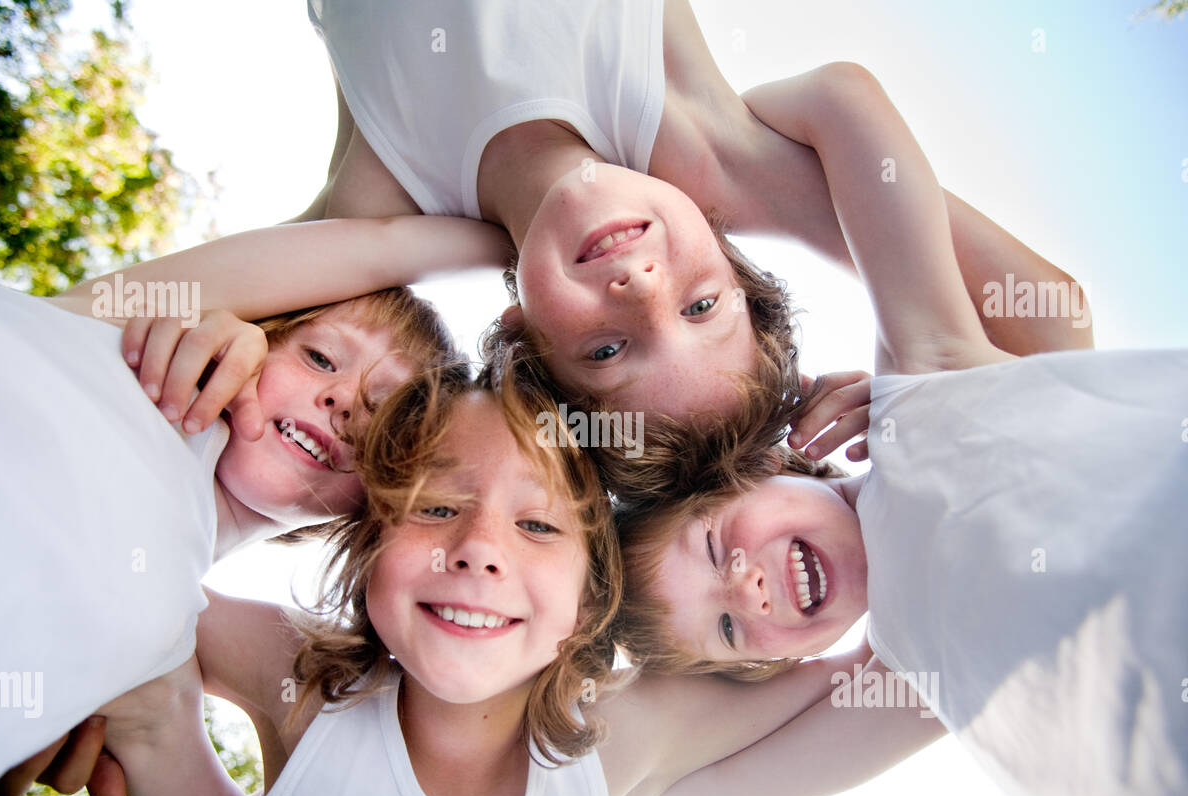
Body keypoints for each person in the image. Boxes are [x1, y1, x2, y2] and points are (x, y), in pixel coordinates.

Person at [611, 61, 1188, 796]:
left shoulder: (923, 389)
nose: (745, 583)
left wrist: (732, 170)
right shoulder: (898, 681)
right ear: (776, 665)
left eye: (713, 543)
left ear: (762, 468)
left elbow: (842, 98)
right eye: (729, 629)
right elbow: (703, 788)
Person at [74, 353, 937, 796]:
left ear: (591, 601)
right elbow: (102, 571)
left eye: (535, 524)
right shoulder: (300, 675)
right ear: (371, 541)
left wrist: (906, 446)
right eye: (437, 508)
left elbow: (933, 667)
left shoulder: (628, 740)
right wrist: (134, 714)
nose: (481, 546)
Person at [297, 0, 1091, 479]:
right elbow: (1055, 324)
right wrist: (932, 356)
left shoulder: (383, 201)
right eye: (704, 305)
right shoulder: (696, 162)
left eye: (607, 351)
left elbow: (225, 312)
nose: (643, 290)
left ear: (519, 337)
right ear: (729, 252)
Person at [0, 214, 510, 796]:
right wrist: (537, 242)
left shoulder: (163, 653)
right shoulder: (120, 332)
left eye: (381, 412)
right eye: (319, 358)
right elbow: (383, 242)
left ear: (383, 497)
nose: (343, 399)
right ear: (256, 329)